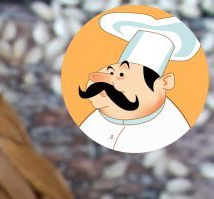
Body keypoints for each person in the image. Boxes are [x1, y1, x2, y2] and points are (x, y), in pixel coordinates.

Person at [78, 11, 200, 153]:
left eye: (122, 75)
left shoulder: (171, 126)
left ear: (164, 83)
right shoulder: (94, 117)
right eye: (111, 71)